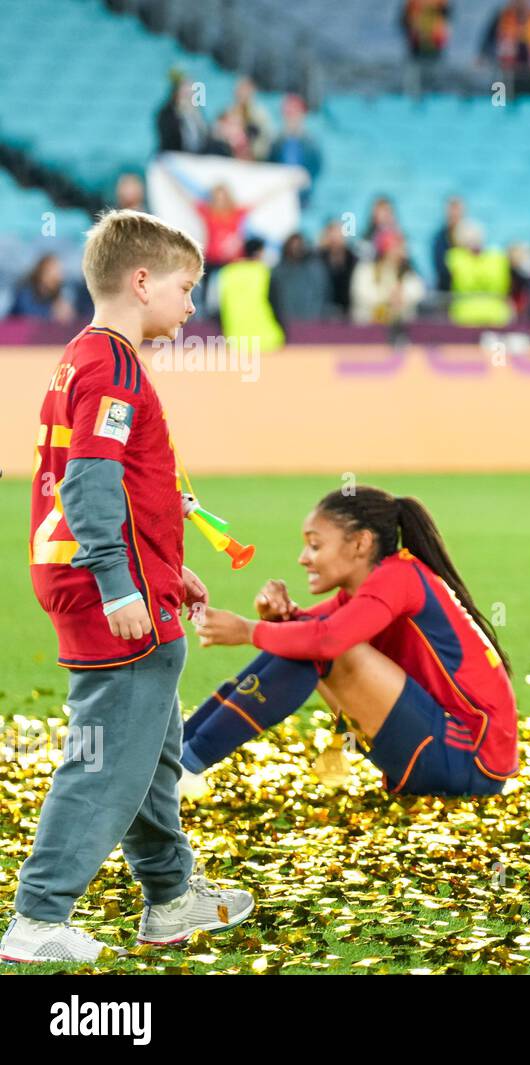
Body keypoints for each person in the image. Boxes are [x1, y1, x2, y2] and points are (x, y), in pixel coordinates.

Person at [1, 210, 252, 964]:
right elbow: (89, 481)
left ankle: (172, 896)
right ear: (142, 281)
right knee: (106, 751)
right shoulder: (113, 365)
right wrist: (120, 579)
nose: (191, 304)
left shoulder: (83, 357)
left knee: (147, 744)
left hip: (117, 576)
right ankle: (39, 916)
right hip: (110, 587)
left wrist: (167, 568)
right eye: (186, 287)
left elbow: (119, 482)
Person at [180, 487, 518, 798]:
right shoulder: (370, 587)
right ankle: (177, 754)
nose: (303, 558)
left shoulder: (398, 577)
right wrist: (280, 618)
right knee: (308, 642)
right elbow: (312, 632)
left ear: (360, 544)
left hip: (467, 763)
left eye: (315, 545)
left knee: (321, 648)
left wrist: (247, 630)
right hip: (441, 752)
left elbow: (326, 641)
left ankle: (187, 765)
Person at [216, 237, 284, 352]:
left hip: (236, 342)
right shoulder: (264, 273)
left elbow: (217, 308)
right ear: (260, 253)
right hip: (267, 340)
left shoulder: (226, 273)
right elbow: (276, 306)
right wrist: (284, 331)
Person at [480, 0, 530, 97]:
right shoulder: (501, 16)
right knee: (498, 103)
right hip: (502, 75)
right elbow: (487, 45)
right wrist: (488, 57)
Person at [351, 230, 427, 326]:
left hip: (399, 329)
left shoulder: (407, 271)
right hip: (367, 329)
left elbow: (418, 291)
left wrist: (403, 297)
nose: (402, 251)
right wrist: (388, 297)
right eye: (397, 247)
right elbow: (361, 294)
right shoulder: (366, 269)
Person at [445, 220, 511, 326]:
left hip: (464, 316)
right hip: (497, 314)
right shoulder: (498, 257)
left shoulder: (454, 258)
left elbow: (444, 283)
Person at [268, 95, 322, 207]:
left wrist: (306, 177)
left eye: (294, 115)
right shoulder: (276, 142)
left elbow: (316, 167)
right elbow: (269, 164)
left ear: (302, 116)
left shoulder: (311, 143)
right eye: (288, 115)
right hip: (278, 193)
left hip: (302, 195)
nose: (291, 119)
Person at [270, 231, 330, 323]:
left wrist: (316, 317)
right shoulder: (278, 271)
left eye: (299, 245)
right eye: (293, 245)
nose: (295, 249)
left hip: (311, 321)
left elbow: (322, 294)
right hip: (285, 321)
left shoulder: (315, 268)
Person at [8, 253, 75, 323]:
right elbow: (29, 317)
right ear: (42, 273)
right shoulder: (25, 291)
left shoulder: (54, 296)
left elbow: (68, 317)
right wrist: (52, 313)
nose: (59, 278)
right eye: (53, 274)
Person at [319, 220, 358, 319]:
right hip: (323, 315)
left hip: (349, 313)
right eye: (332, 235)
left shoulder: (353, 260)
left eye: (339, 235)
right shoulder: (318, 260)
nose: (335, 239)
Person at [431, 195, 464, 294]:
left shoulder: (470, 236)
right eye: (452, 209)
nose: (454, 213)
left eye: (457, 209)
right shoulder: (439, 238)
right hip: (446, 291)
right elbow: (441, 268)